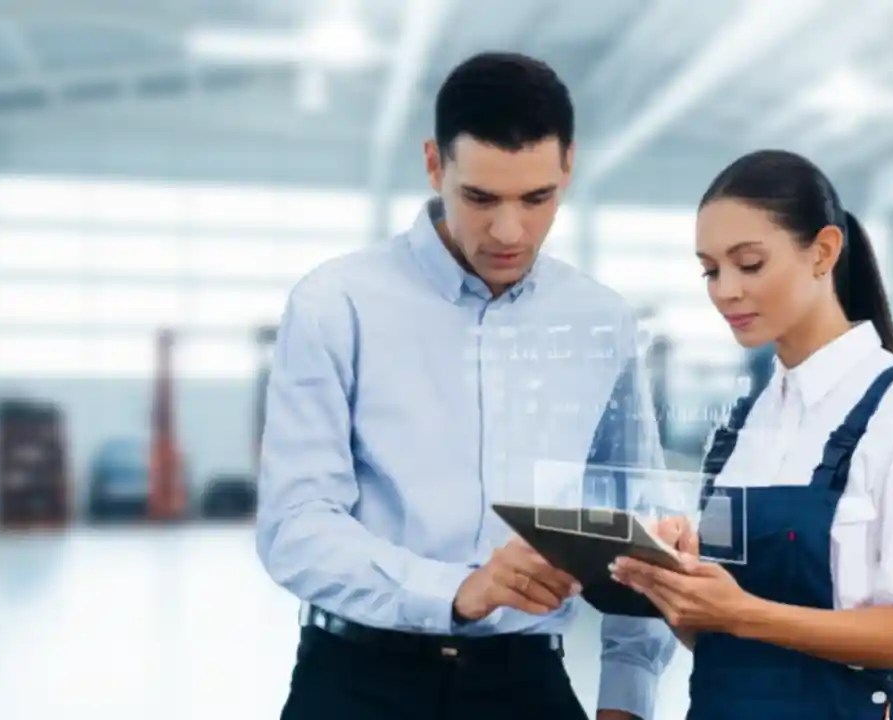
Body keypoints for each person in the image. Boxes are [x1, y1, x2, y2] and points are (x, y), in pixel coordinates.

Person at [256, 52, 674, 720]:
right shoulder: (336, 303)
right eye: (480, 198)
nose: (509, 231)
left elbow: (635, 514)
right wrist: (456, 590)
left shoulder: (602, 321)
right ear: (434, 164)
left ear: (568, 165)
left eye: (537, 199)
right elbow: (295, 527)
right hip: (358, 682)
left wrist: (628, 692)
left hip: (526, 681)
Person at [612, 150, 893, 719]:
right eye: (710, 270)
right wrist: (677, 590)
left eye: (748, 263)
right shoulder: (745, 424)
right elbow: (718, 644)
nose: (724, 290)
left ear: (823, 252)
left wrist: (739, 612)